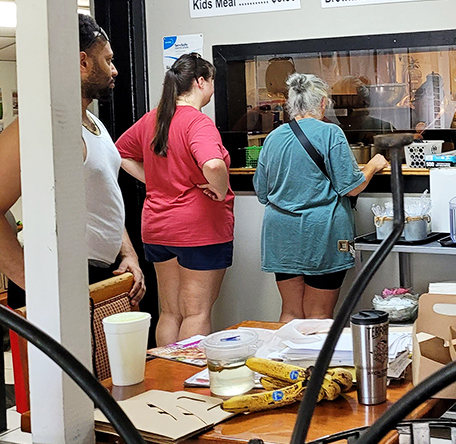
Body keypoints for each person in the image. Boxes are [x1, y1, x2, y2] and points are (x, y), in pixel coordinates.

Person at [0, 15, 145, 308]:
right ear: (83, 62)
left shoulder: (94, 124)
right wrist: (32, 281)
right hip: (55, 274)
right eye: (108, 60)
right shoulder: (38, 125)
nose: (115, 70)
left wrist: (128, 253)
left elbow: (105, 200)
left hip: (99, 274)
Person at [116, 53, 234, 344]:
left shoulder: (152, 119)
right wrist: (219, 189)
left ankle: (166, 384)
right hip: (198, 228)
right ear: (200, 82)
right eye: (212, 82)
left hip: (158, 227)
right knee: (196, 313)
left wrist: (154, 179)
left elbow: (118, 152)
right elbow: (214, 164)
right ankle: (186, 381)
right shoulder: (198, 122)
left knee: (169, 312)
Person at [254, 73, 388, 321]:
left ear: (291, 104)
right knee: (319, 314)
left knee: (290, 312)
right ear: (323, 102)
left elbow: (262, 192)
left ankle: (284, 362)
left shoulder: (272, 138)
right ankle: (316, 362)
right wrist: (372, 166)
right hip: (322, 233)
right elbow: (351, 187)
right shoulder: (330, 133)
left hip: (281, 235)